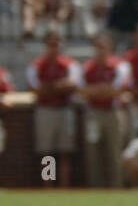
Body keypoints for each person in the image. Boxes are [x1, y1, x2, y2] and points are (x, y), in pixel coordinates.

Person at [27, 30, 82, 187]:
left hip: (65, 109)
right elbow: (36, 88)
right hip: (45, 109)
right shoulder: (37, 65)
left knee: (65, 151)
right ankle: (48, 186)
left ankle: (64, 186)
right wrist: (59, 86)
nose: (54, 48)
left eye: (57, 44)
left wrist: (49, 87)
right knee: (47, 152)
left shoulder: (69, 64)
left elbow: (73, 84)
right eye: (51, 44)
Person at [80, 31, 130, 188]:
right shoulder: (87, 67)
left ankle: (116, 187)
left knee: (114, 152)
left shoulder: (119, 65)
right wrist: (103, 89)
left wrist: (96, 90)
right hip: (93, 113)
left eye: (103, 46)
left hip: (112, 112)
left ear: (110, 47)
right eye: (98, 46)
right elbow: (81, 91)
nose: (100, 50)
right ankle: (96, 187)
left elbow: (117, 90)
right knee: (92, 153)